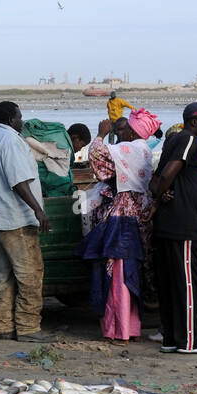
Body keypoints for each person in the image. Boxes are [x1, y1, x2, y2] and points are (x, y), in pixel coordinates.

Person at [0, 101, 52, 341]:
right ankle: (28, 327)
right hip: (17, 219)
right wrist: (38, 210)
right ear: (11, 119)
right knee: (30, 274)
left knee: (4, 275)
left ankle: (4, 326)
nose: (22, 121)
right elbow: (18, 182)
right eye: (20, 117)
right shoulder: (12, 141)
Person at [76, 108, 159, 343]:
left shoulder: (131, 149)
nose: (120, 133)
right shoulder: (143, 149)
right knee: (131, 274)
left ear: (133, 132)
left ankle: (117, 328)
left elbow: (97, 155)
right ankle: (130, 326)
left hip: (122, 220)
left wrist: (101, 134)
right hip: (137, 217)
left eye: (124, 129)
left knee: (117, 276)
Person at [147, 102, 197, 354]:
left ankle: (170, 339)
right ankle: (189, 342)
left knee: (168, 284)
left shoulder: (172, 140)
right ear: (194, 121)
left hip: (167, 224)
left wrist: (158, 198)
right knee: (187, 284)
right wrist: (159, 197)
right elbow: (166, 175)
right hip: (182, 225)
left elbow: (156, 180)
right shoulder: (188, 140)